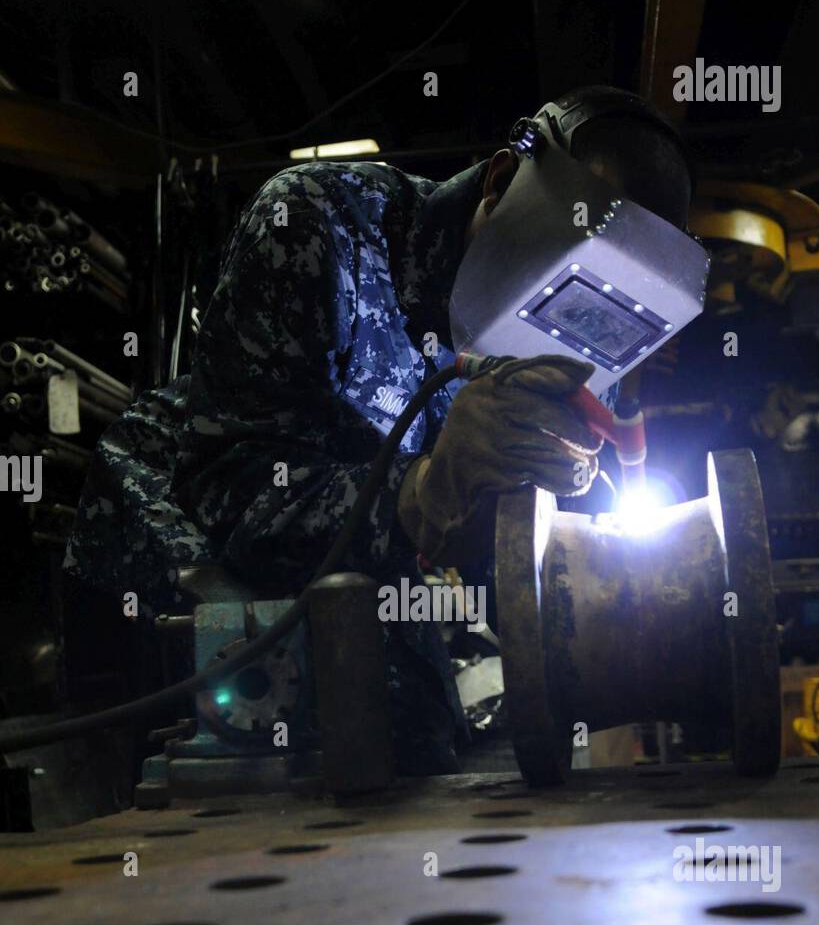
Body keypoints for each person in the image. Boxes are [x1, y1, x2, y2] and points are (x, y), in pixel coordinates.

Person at [64, 85, 694, 773]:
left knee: (435, 732)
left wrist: (538, 517)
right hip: (173, 575)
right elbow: (230, 489)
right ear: (501, 180)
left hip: (349, 581)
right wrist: (423, 490)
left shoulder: (559, 344)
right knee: (385, 732)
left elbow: (475, 551)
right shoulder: (314, 223)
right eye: (558, 277)